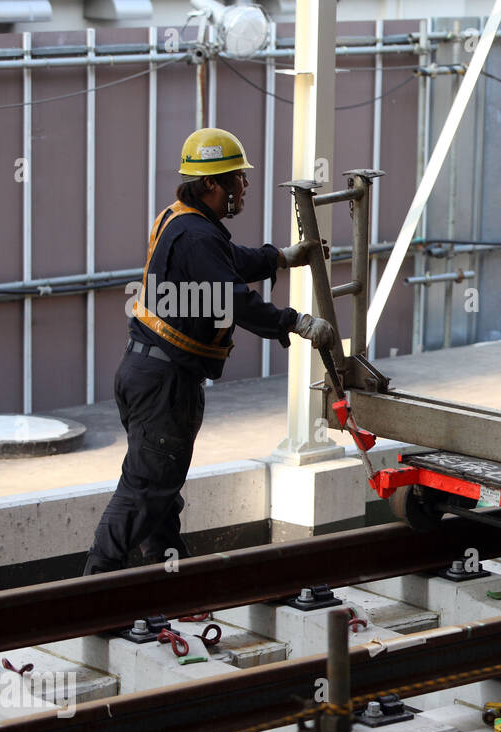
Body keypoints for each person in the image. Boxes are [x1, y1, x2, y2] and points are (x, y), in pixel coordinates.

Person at [83, 128, 336, 575]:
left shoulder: (180, 220)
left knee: (160, 488)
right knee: (145, 490)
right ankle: (93, 594)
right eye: (237, 178)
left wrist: (278, 257)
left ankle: (169, 579)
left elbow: (229, 260)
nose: (244, 187)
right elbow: (233, 296)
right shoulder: (199, 236)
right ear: (210, 184)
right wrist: (294, 322)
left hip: (147, 373)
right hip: (165, 384)